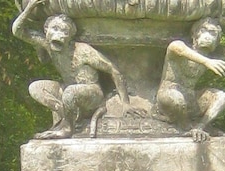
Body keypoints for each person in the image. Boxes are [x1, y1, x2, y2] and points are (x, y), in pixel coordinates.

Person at [14, 0, 135, 139]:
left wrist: (126, 103)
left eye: (64, 31)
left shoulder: (82, 51)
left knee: (70, 92)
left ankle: (67, 129)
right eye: (54, 29)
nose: (59, 35)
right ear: (46, 30)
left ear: (70, 36)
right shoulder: (48, 46)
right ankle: (66, 116)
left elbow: (113, 70)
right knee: (36, 88)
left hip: (92, 93)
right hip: (69, 90)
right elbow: (18, 31)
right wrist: (29, 8)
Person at [156, 17, 225, 142]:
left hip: (191, 98)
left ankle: (200, 127)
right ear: (194, 35)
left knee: (221, 96)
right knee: (177, 98)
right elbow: (175, 46)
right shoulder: (183, 48)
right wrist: (207, 62)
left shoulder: (211, 54)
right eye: (203, 31)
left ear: (217, 40)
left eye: (213, 33)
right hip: (170, 93)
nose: (208, 36)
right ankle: (185, 127)